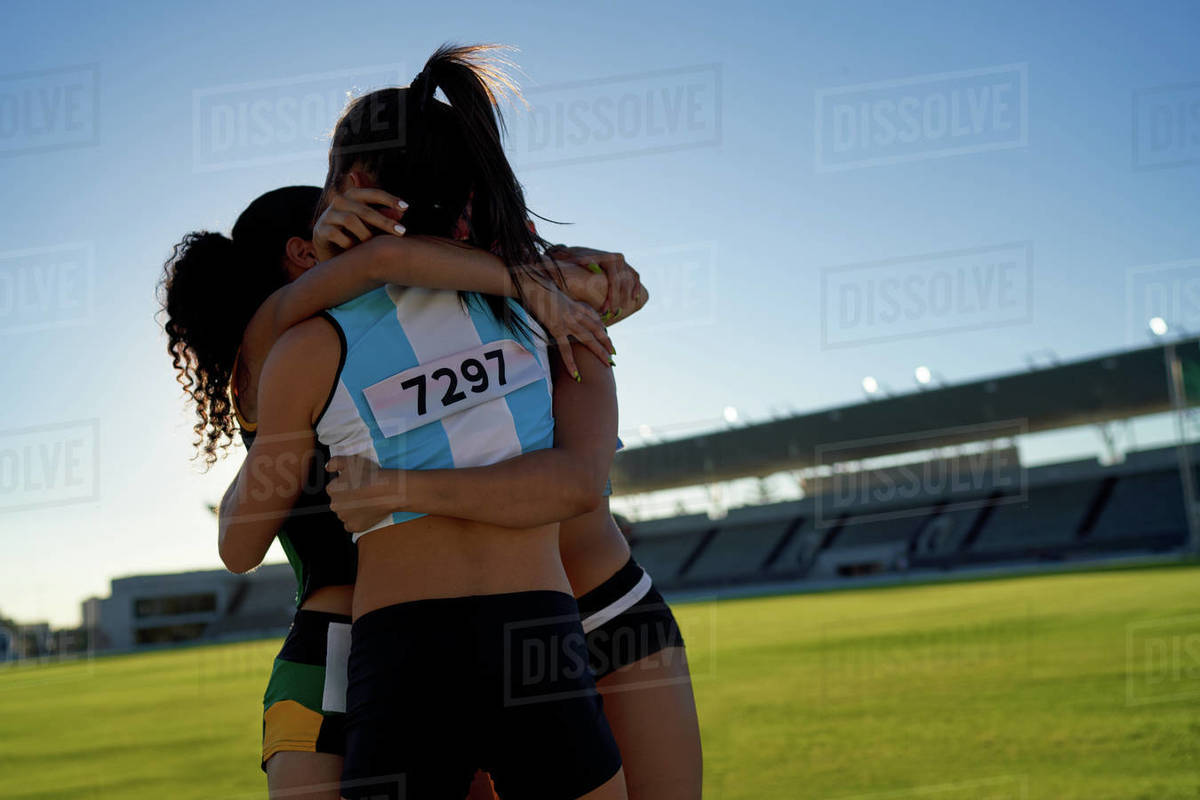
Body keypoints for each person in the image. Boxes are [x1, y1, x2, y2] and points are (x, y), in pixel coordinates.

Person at [217, 44, 632, 799]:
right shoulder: (550, 313)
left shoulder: (309, 344)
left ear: (353, 185)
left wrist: (377, 484)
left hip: (403, 656)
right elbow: (577, 483)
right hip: (537, 642)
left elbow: (242, 541)